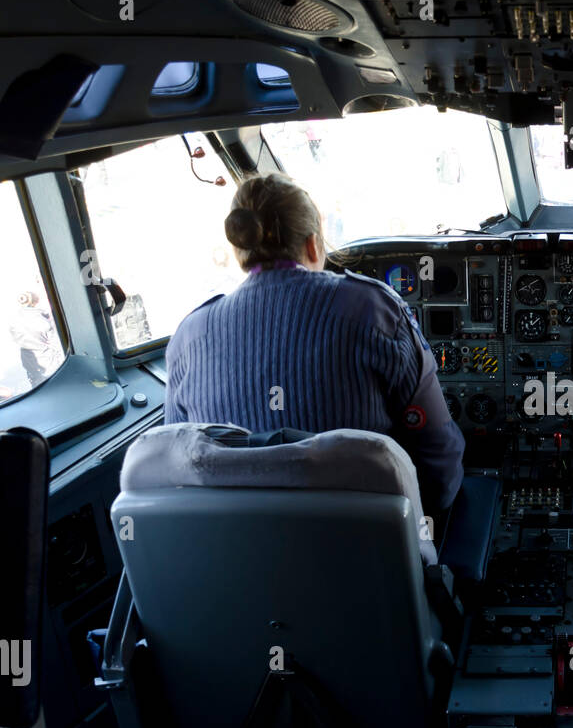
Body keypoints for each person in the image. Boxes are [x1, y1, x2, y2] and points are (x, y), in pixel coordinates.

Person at [164, 172, 465, 512]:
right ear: (312, 244)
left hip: (236, 561)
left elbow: (176, 469)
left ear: (240, 252)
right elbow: (439, 462)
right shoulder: (374, 311)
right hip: (368, 557)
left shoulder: (188, 338)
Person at [10, 291, 60, 388]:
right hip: (49, 362)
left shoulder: (14, 320)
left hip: (29, 362)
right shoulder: (43, 319)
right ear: (35, 301)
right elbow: (56, 342)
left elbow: (16, 339)